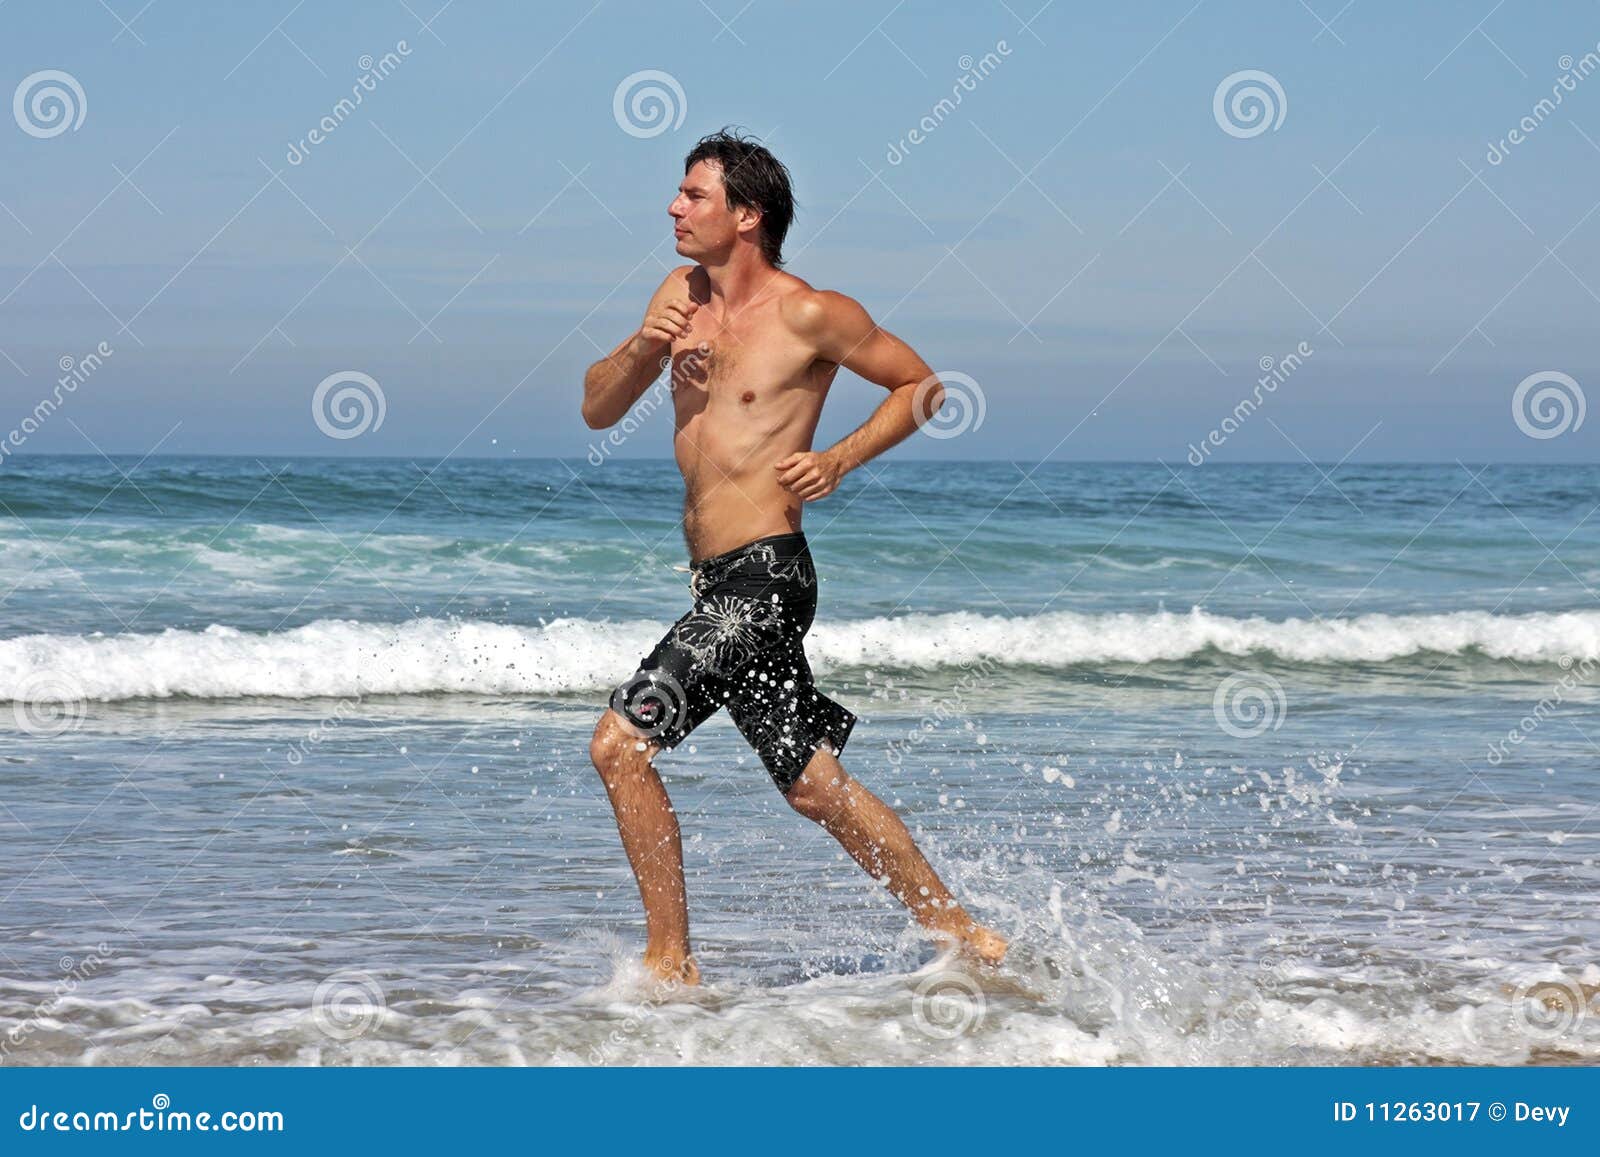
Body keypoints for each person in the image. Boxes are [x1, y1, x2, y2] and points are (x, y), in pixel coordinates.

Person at [582, 128, 1006, 985]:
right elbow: (596, 409)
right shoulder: (680, 295)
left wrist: (838, 459)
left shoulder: (809, 313)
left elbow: (923, 386)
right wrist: (644, 345)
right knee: (813, 785)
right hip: (717, 584)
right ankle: (966, 934)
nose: (673, 206)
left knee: (619, 746)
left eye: (694, 194)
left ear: (747, 215)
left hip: (764, 579)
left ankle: (671, 962)